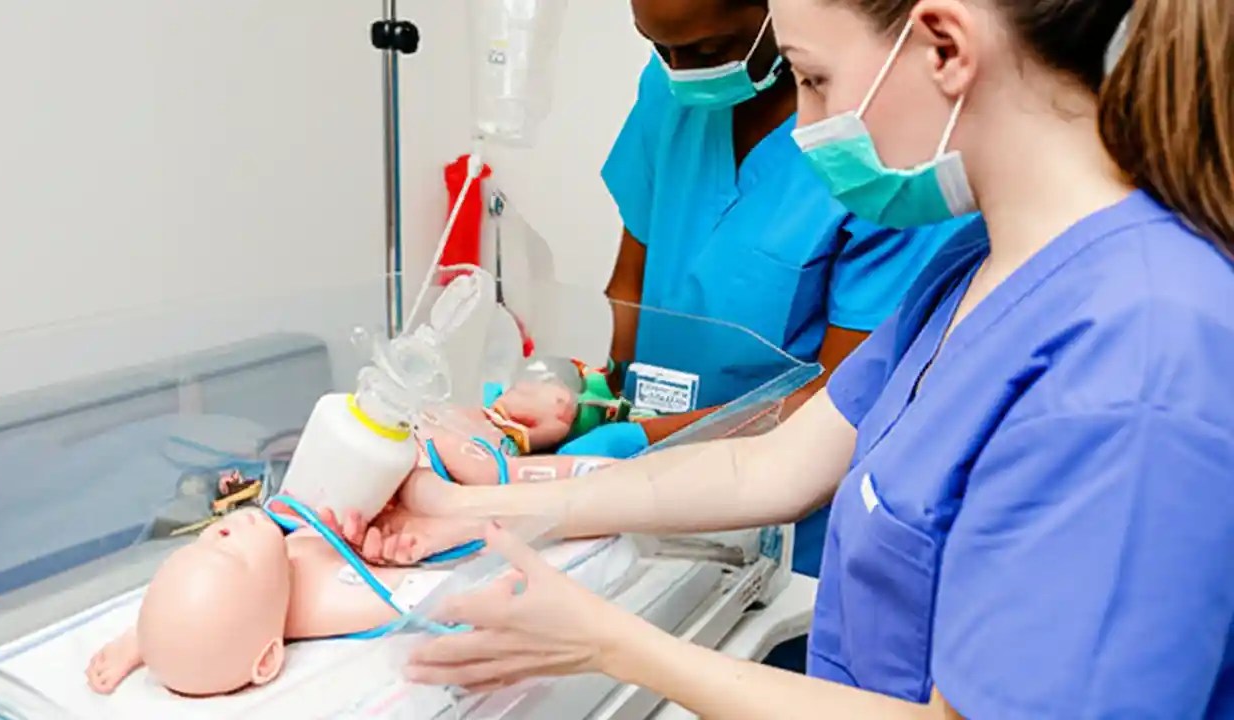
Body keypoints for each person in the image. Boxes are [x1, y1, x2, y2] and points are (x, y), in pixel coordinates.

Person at [369, 0, 1234, 715]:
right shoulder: (974, 265)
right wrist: (476, 502)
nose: (808, 127)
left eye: (812, 79)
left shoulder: (1142, 357)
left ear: (944, 47)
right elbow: (775, 466)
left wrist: (606, 643)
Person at [564, 0, 975, 586]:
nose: (682, 71)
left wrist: (637, 444)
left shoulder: (877, 156)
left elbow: (842, 401)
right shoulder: (670, 90)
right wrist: (596, 400)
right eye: (658, 48)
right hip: (650, 493)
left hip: (790, 528)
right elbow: (630, 282)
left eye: (708, 50)